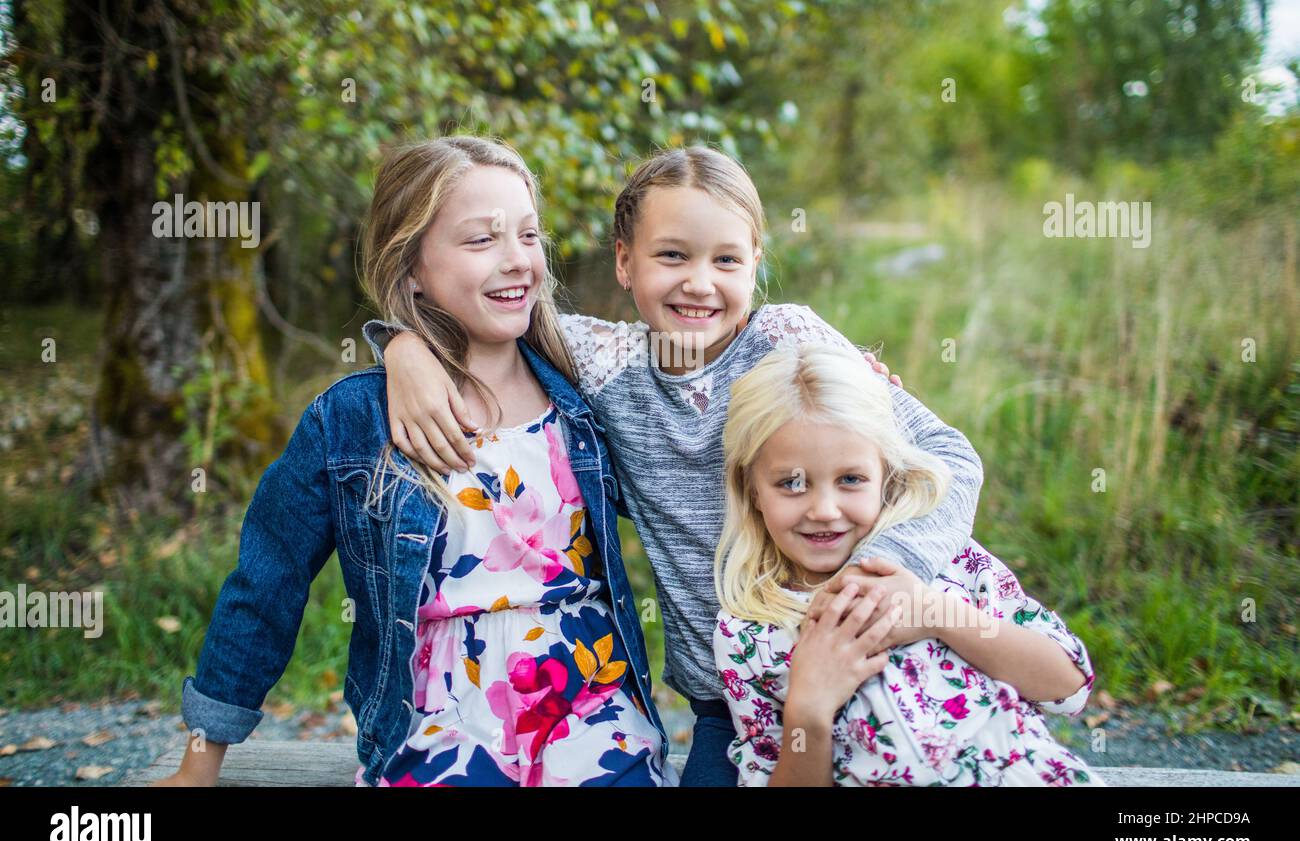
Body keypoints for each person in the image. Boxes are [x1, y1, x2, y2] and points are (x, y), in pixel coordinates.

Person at [365, 146, 984, 785]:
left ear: (756, 263)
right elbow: (486, 310)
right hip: (731, 703)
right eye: (672, 255)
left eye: (726, 260)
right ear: (624, 261)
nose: (699, 283)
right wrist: (402, 346)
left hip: (874, 664)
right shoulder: (600, 363)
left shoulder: (789, 343)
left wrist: (881, 577)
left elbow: (950, 457)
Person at [155, 136, 671, 787]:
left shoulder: (583, 390)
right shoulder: (352, 422)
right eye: (481, 240)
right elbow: (267, 584)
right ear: (410, 269)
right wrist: (199, 765)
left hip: (589, 700)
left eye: (529, 235)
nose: (517, 260)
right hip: (438, 719)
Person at [713, 343, 1103, 785]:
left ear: (887, 475)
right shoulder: (748, 633)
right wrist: (809, 708)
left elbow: (1068, 688)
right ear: (752, 490)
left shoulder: (944, 559)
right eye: (791, 483)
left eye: (851, 479)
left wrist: (935, 613)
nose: (824, 510)